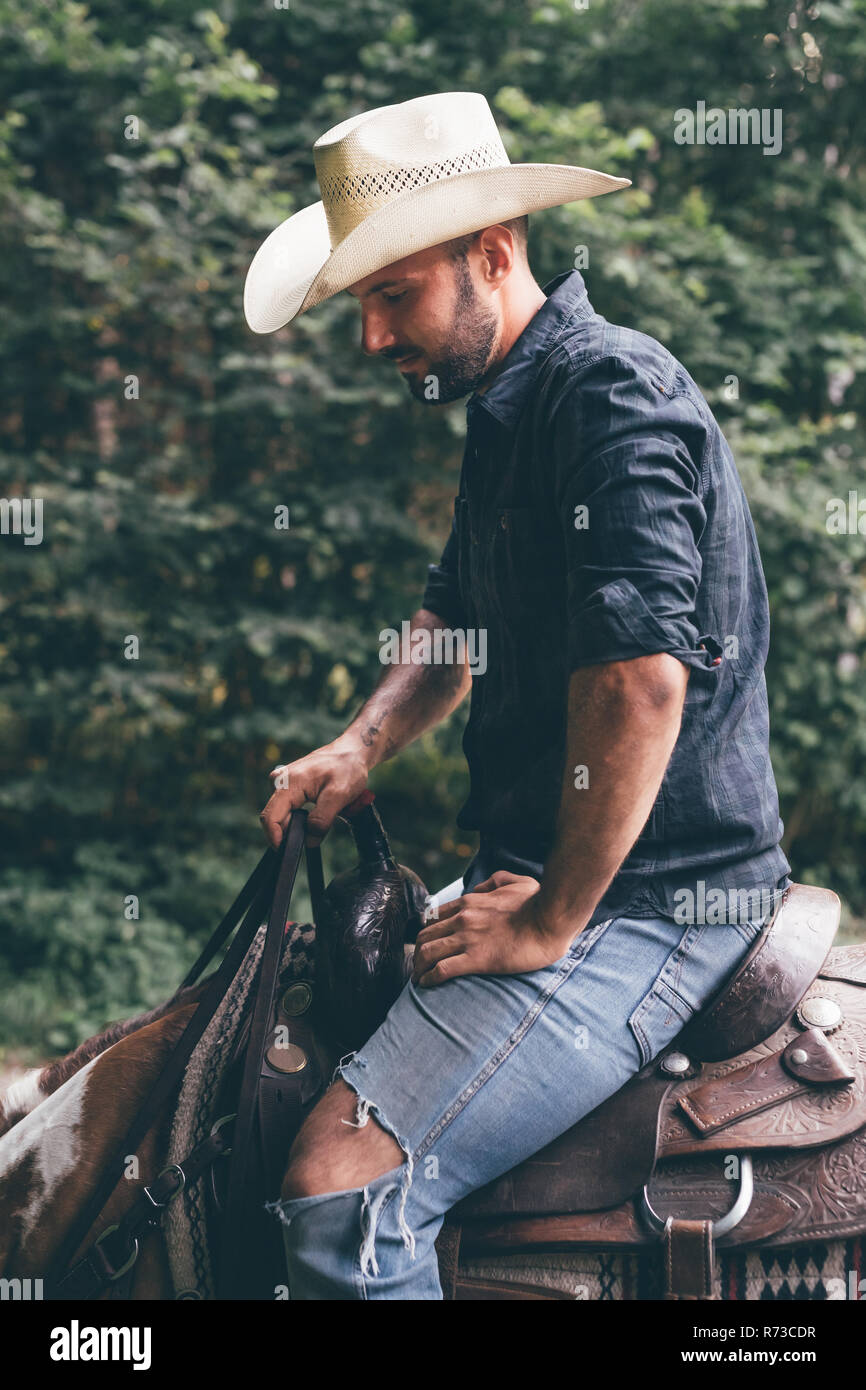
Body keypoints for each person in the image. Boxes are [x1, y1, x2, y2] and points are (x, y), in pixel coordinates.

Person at [244, 91, 791, 1299]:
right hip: (575, 879)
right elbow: (451, 621)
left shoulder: (607, 395)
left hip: (649, 903)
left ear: (493, 254)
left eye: (394, 295)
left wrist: (549, 921)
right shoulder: (509, 407)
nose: (374, 336)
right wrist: (359, 743)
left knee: (338, 1184)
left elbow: (640, 681)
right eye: (365, 302)